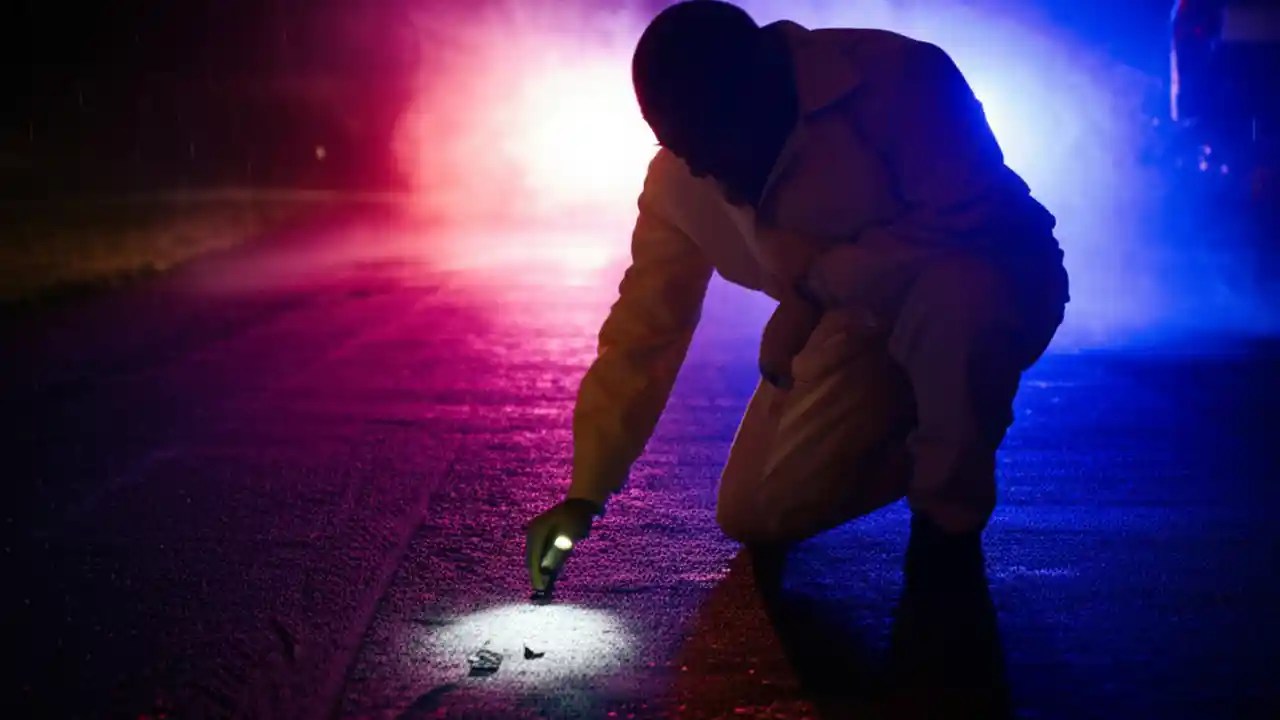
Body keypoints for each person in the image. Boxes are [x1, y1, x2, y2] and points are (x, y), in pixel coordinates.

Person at [526, 0, 1069, 590]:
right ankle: (932, 430)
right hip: (857, 320)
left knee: (956, 306)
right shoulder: (683, 177)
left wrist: (815, 290)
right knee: (754, 512)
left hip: (993, 279)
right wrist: (585, 493)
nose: (699, 167)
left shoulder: (899, 76)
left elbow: (972, 222)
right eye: (675, 146)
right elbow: (643, 331)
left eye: (705, 138)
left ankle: (947, 519)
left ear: (757, 93)